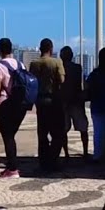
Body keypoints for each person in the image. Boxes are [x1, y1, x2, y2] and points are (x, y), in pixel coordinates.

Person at [0, 37, 27, 179]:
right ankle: (11, 167)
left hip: (5, 105)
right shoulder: (21, 65)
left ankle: (13, 169)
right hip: (20, 106)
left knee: (8, 136)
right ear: (11, 49)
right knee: (11, 135)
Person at [29, 38, 67, 172]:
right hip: (54, 100)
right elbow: (62, 80)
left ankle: (43, 161)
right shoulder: (56, 62)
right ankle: (53, 159)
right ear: (51, 49)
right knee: (58, 132)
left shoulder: (34, 64)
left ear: (40, 49)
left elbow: (31, 81)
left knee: (42, 132)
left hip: (40, 100)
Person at [58, 46, 89, 157]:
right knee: (83, 129)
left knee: (63, 129)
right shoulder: (77, 68)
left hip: (63, 102)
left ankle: (66, 154)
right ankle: (85, 152)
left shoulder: (59, 68)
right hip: (76, 101)